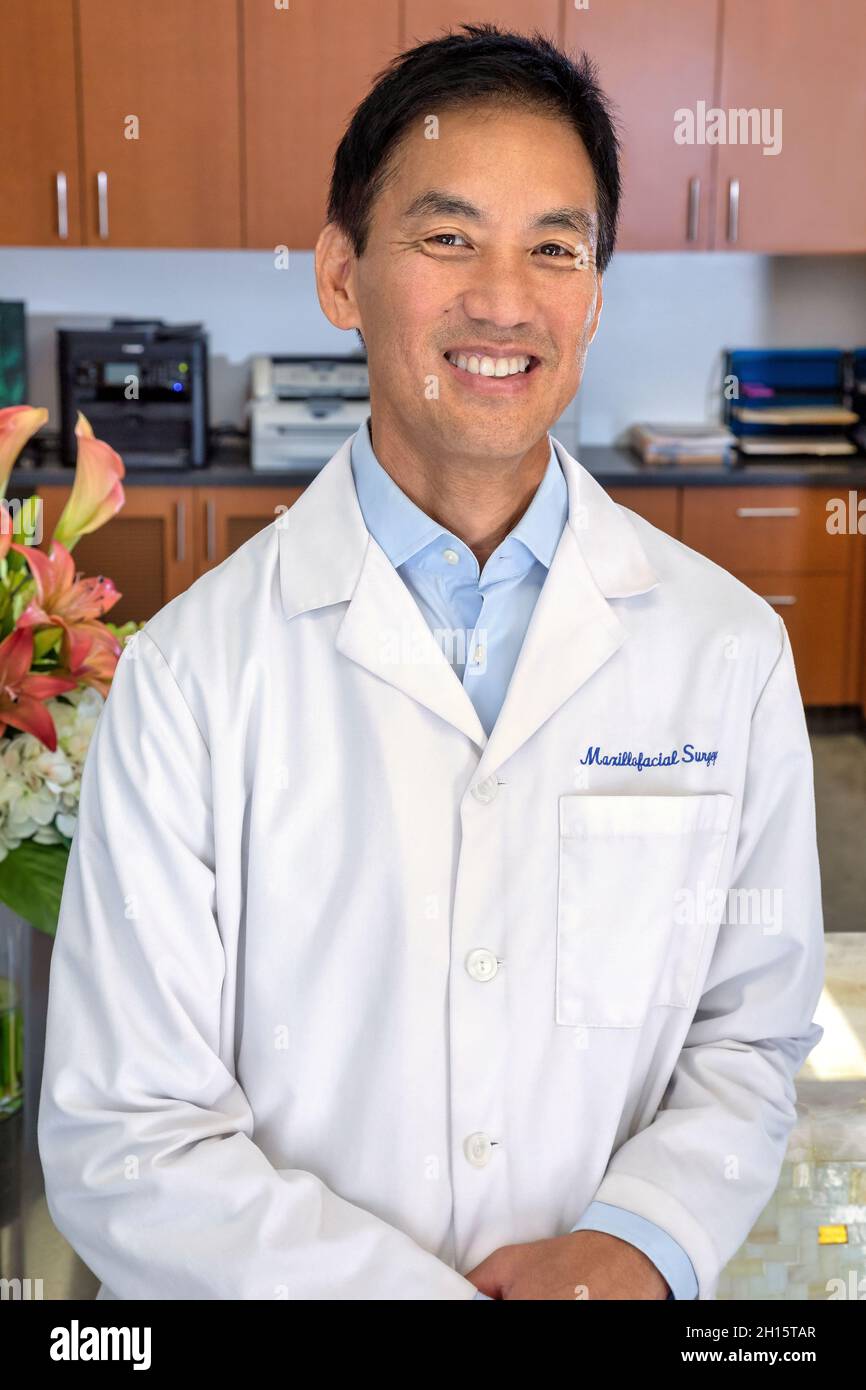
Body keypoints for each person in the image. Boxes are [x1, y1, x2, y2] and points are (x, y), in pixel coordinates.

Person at [38, 23, 824, 1301]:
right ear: (341, 275)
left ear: (594, 294)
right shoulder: (192, 674)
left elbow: (750, 1026)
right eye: (448, 237)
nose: (504, 300)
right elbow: (125, 1129)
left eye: (553, 248)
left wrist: (644, 1240)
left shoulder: (725, 650)